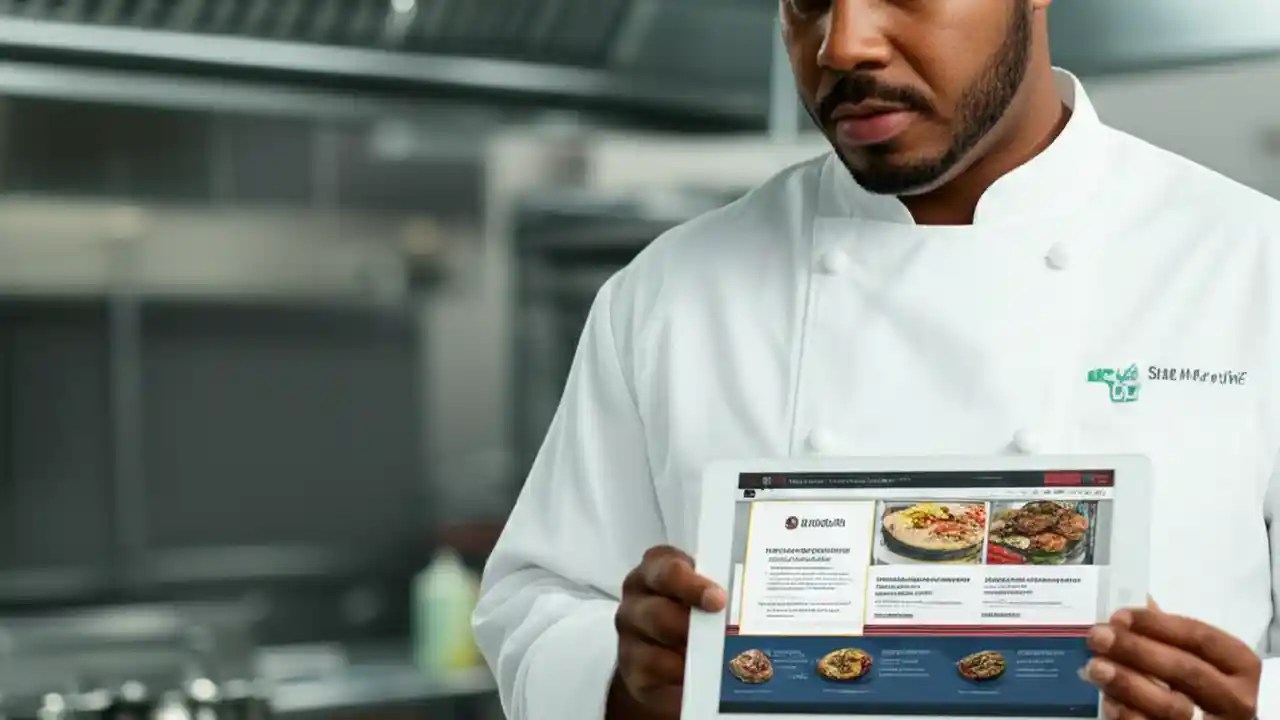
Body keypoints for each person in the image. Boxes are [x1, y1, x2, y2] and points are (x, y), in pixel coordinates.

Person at [473, 1, 1278, 718]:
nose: (842, 44)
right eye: (806, 2)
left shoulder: (1250, 268)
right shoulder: (669, 292)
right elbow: (536, 604)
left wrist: (1242, 706)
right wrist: (623, 679)